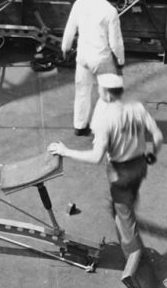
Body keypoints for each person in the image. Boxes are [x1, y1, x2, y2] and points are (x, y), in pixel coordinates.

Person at [50, 68, 161, 259]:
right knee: (126, 204)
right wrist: (153, 154)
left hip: (120, 174)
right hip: (140, 166)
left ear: (106, 92)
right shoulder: (136, 107)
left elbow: (96, 157)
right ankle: (125, 207)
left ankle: (135, 261)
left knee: (126, 221)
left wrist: (65, 151)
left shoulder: (106, 120)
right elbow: (158, 135)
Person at [60, 0, 125, 134]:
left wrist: (65, 48)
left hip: (83, 57)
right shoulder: (110, 11)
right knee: (108, 93)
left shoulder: (80, 3)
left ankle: (80, 126)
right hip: (101, 59)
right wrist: (120, 61)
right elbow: (115, 42)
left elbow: (69, 30)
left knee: (82, 91)